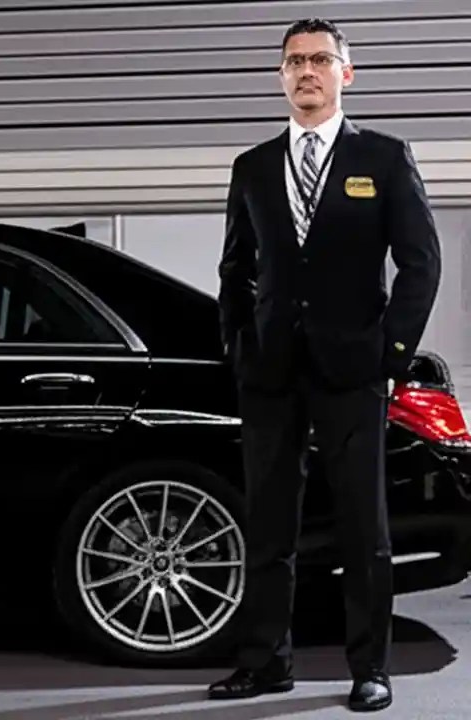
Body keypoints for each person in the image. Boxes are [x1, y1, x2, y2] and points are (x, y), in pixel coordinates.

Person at [208, 18, 441, 713]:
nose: (306, 71)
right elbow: (234, 270)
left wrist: (390, 354)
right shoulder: (251, 166)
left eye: (319, 60)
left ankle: (369, 669)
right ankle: (265, 663)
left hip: (353, 370)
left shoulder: (386, 158)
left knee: (363, 527)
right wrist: (239, 346)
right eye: (293, 62)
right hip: (271, 372)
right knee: (270, 528)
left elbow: (421, 264)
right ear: (281, 76)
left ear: (346, 73)